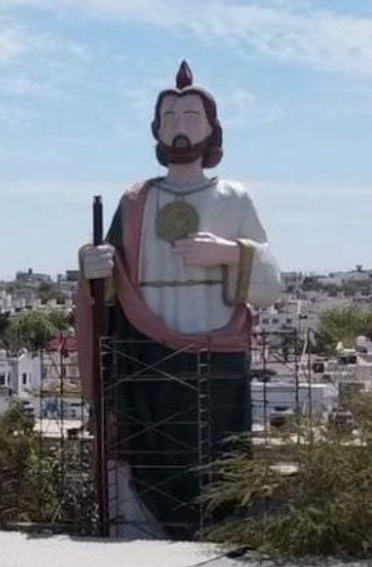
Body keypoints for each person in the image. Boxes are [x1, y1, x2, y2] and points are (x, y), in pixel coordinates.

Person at [76, 60, 283, 539]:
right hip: (147, 354)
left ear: (212, 129)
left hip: (218, 356)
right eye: (170, 118)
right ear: (156, 129)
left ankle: (215, 540)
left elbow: (272, 282)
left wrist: (231, 253)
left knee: (215, 455)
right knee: (149, 452)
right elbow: (106, 286)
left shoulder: (234, 197)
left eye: (191, 117)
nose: (180, 127)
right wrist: (93, 264)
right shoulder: (134, 200)